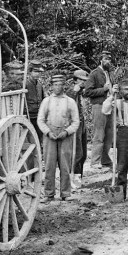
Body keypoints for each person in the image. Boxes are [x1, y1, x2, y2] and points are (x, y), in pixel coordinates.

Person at [38, 74, 80, 202]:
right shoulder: (46, 101)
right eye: (55, 84)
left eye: (60, 84)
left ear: (64, 86)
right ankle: (48, 194)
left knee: (65, 165)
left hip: (65, 136)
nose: (58, 87)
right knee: (49, 165)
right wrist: (47, 132)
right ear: (51, 86)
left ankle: (65, 193)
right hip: (50, 135)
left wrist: (67, 132)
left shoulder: (70, 101)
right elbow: (40, 120)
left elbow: (76, 122)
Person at [83, 56, 114, 170]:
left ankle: (105, 160)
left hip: (110, 105)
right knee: (99, 134)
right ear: (100, 60)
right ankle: (95, 162)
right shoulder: (94, 74)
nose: (108, 62)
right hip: (99, 106)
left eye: (110, 60)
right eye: (106, 59)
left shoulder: (109, 73)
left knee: (109, 134)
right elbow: (88, 92)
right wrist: (104, 89)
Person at [70, 70, 89, 188]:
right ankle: (74, 177)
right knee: (77, 152)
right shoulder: (71, 92)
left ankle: (79, 176)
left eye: (84, 81)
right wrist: (74, 92)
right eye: (81, 80)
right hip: (74, 124)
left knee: (84, 153)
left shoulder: (81, 92)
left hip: (82, 123)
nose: (83, 82)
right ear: (76, 80)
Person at [26, 59, 47, 138]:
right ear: (30, 72)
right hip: (29, 117)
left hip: (38, 116)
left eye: (39, 72)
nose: (38, 74)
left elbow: (42, 99)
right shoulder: (26, 84)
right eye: (35, 72)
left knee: (40, 137)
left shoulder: (39, 85)